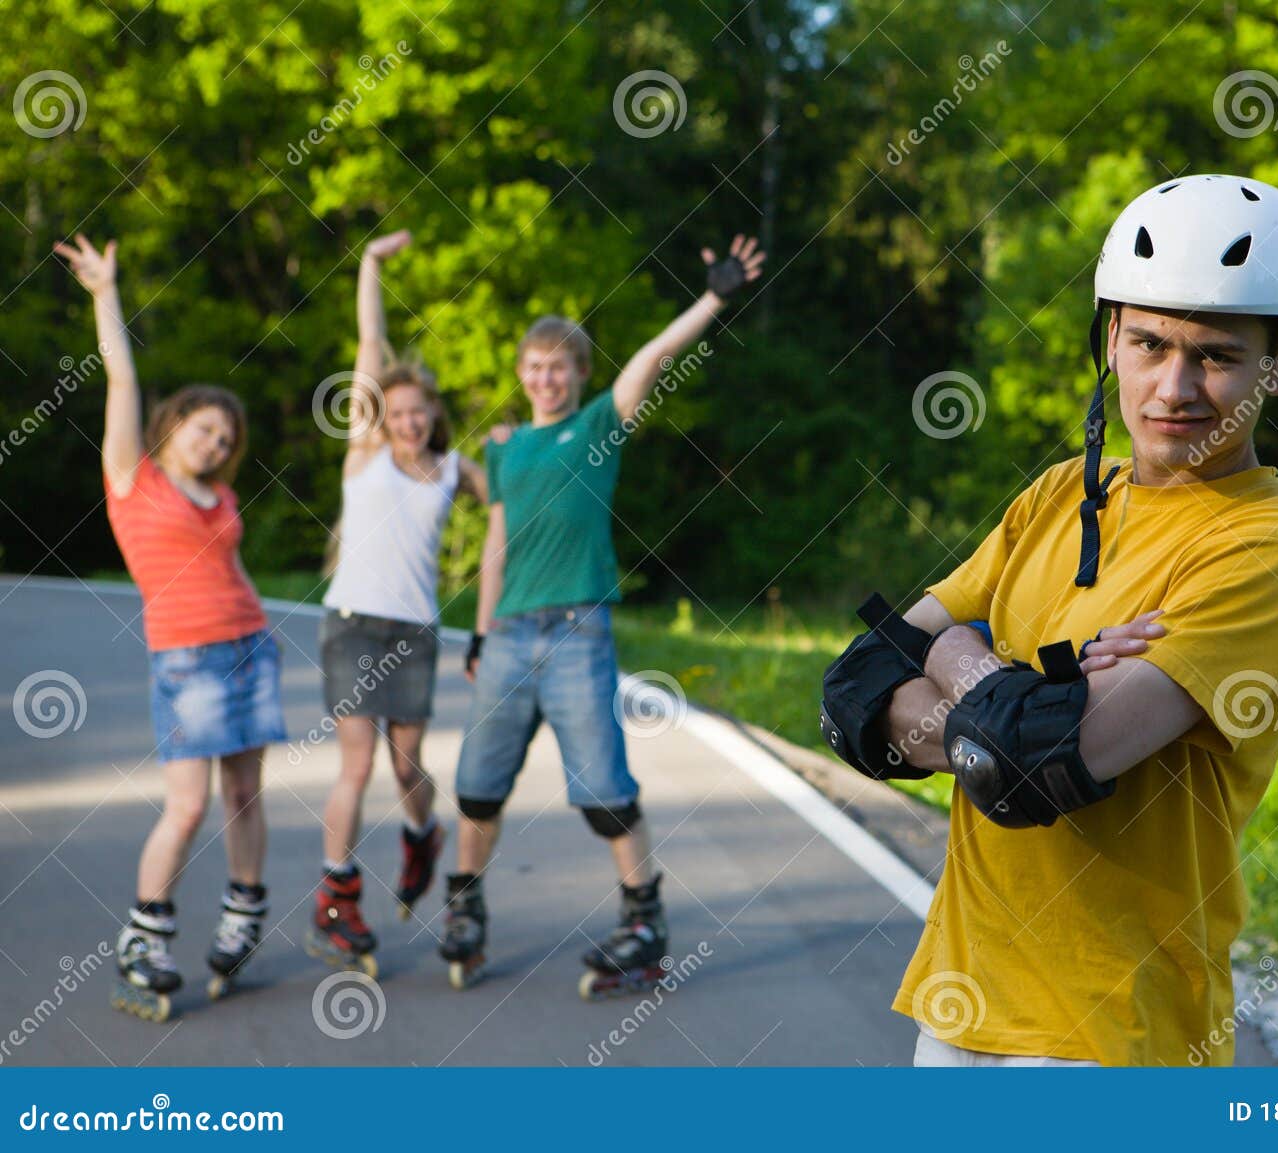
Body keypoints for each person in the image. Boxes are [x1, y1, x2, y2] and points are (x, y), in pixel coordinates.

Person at [819, 174, 1278, 1065]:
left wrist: (958, 663)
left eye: (1215, 354)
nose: (1173, 386)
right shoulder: (1061, 493)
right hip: (960, 1002)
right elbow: (856, 698)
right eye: (1147, 342)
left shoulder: (1271, 552)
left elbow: (1039, 767)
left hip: (1112, 1034)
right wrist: (1002, 688)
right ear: (1111, 338)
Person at [440, 235, 765, 992]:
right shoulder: (504, 448)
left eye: (560, 365)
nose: (546, 376)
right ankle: (464, 909)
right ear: (521, 374)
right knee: (479, 784)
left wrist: (713, 298)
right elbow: (495, 542)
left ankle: (643, 919)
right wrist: (481, 634)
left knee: (602, 789)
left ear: (579, 374)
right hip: (511, 633)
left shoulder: (598, 427)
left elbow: (650, 358)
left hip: (579, 629)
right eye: (535, 365)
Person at [57, 234, 287, 1018]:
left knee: (246, 794)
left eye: (226, 439)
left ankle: (244, 911)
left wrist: (265, 629)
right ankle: (144, 937)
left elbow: (235, 571)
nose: (215, 443)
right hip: (186, 657)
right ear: (175, 422)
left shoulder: (221, 501)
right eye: (204, 428)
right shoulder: (134, 479)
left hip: (249, 646)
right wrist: (104, 292)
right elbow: (120, 374)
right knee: (188, 802)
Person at [305, 230, 490, 977]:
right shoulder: (364, 452)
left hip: (414, 632)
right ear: (383, 416)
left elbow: (518, 496)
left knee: (406, 765)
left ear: (433, 417)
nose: (409, 421)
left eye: (421, 413)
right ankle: (338, 893)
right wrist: (370, 266)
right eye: (399, 411)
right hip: (352, 625)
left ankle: (422, 835)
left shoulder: (453, 469)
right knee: (355, 766)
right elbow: (371, 341)